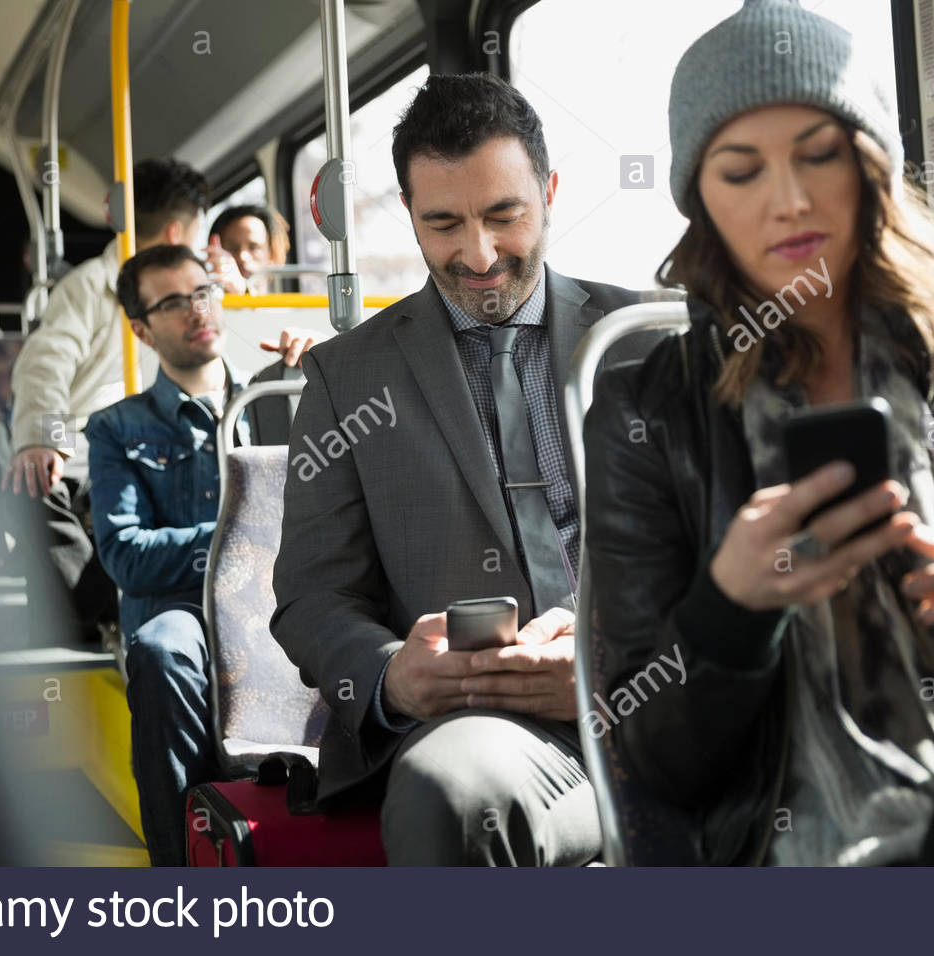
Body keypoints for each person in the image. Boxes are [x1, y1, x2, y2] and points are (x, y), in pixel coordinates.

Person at [584, 0, 934, 866]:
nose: (788, 201)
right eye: (741, 170)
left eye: (819, 154)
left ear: (871, 166)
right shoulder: (652, 410)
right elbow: (652, 759)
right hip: (802, 845)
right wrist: (732, 607)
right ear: (701, 199)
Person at [271, 72, 668, 866]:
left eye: (504, 215)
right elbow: (313, 597)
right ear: (411, 219)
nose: (478, 255)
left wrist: (611, 662)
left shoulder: (652, 342)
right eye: (443, 223)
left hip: (665, 700)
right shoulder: (345, 380)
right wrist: (391, 678)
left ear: (549, 192)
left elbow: (725, 553)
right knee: (452, 795)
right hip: (485, 735)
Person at [86, 244, 319, 866]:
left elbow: (334, 505)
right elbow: (125, 555)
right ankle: (182, 866)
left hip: (282, 598)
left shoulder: (278, 398)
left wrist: (323, 380)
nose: (196, 310)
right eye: (172, 302)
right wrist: (229, 542)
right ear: (141, 328)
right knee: (163, 652)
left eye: (202, 292)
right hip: (187, 611)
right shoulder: (116, 429)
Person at [3, 159, 296, 644]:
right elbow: (44, 367)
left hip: (187, 434)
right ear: (179, 231)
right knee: (39, 480)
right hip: (96, 449)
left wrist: (242, 296)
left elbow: (237, 368)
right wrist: (45, 441)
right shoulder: (87, 289)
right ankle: (90, 617)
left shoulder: (208, 291)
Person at [210, 204, 291, 294]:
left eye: (254, 247)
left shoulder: (290, 306)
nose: (242, 257)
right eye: (232, 248)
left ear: (272, 254)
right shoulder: (205, 304)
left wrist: (244, 293)